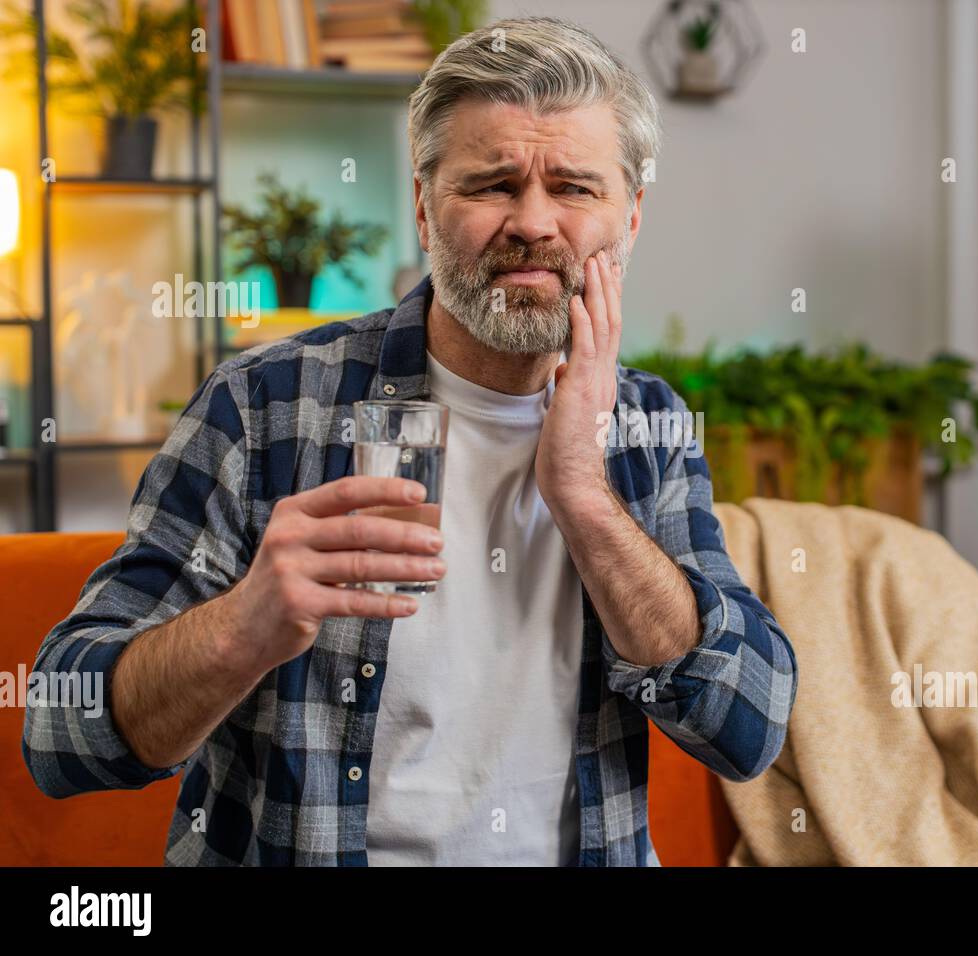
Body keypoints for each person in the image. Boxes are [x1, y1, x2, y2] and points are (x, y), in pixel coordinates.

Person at [22, 15, 797, 866]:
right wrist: (244, 627)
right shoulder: (265, 405)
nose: (533, 222)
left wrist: (581, 493)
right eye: (492, 184)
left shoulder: (649, 427)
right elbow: (59, 732)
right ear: (424, 211)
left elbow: (749, 726)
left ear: (631, 219)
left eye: (575, 187)